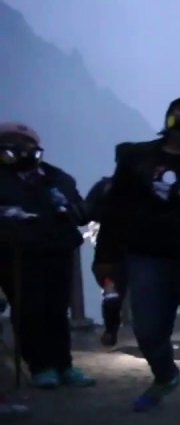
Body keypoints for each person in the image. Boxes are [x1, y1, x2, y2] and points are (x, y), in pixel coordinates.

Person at [94, 95, 180, 425]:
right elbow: (116, 210)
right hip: (147, 257)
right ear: (169, 117)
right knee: (148, 329)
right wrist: (106, 258)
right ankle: (165, 375)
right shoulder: (136, 157)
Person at [0, 121, 96, 395]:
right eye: (12, 142)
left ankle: (64, 365)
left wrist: (76, 211)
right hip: (16, 254)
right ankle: (40, 366)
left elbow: (80, 208)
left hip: (57, 249)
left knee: (56, 309)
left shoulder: (57, 178)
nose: (22, 148)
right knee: (29, 309)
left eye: (27, 142)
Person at [85, 176, 128, 347]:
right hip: (115, 252)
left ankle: (111, 329)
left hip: (109, 252)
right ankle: (111, 329)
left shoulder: (104, 186)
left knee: (111, 293)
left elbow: (86, 212)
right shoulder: (106, 186)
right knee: (112, 293)